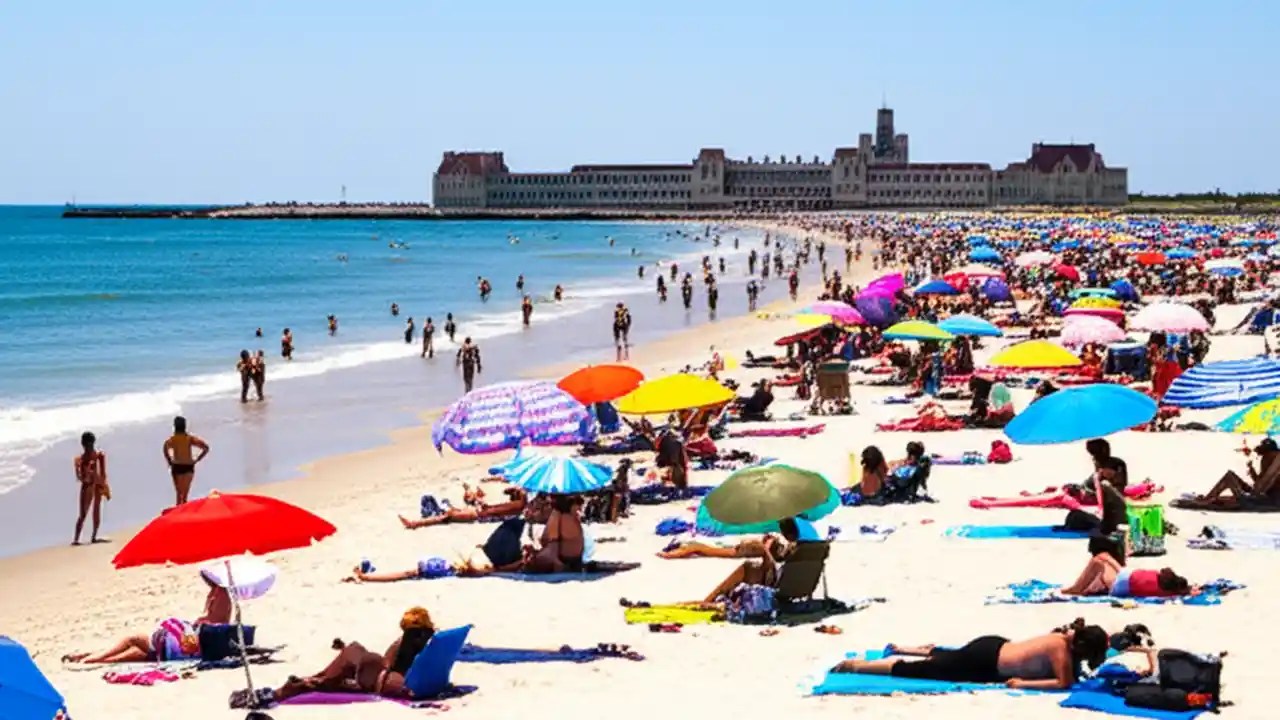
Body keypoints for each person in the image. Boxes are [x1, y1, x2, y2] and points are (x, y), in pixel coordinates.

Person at [830, 618, 1110, 690]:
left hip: (993, 647)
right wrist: (1023, 684)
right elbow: (1064, 684)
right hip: (986, 662)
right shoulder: (1060, 649)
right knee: (924, 670)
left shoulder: (1064, 637)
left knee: (946, 659)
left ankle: (909, 647)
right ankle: (857, 666)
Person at [237, 607, 436, 707]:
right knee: (350, 653)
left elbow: (390, 664)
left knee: (343, 660)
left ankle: (284, 691)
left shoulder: (409, 641)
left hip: (379, 677)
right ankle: (309, 679)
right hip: (379, 675)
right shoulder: (429, 641)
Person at [62, 576, 232, 663]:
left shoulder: (221, 596)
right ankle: (89, 657)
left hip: (185, 646)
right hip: (186, 649)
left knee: (133, 639)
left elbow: (216, 626)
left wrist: (198, 623)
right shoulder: (220, 595)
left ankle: (93, 659)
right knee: (136, 654)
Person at [701, 517, 801, 602]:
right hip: (786, 583)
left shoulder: (779, 544)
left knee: (746, 568)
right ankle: (714, 598)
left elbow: (768, 567)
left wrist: (765, 548)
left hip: (773, 583)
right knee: (748, 565)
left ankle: (710, 599)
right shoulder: (800, 546)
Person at [1177, 437, 1280, 509]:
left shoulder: (1275, 461)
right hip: (1262, 497)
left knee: (1229, 477)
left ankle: (1206, 500)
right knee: (1230, 478)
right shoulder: (1269, 460)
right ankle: (1209, 498)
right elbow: (1260, 483)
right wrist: (1251, 469)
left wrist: (1250, 494)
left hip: (1266, 501)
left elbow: (1261, 487)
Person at [1060, 553, 1196, 597]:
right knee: (1103, 556)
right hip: (1123, 576)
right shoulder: (1165, 589)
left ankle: (1076, 589)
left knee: (1098, 561)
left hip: (1119, 583)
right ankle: (1088, 585)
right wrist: (1191, 590)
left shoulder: (1162, 586)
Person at [399, 487, 527, 529]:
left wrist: (478, 503)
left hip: (479, 515)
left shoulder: (517, 505)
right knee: (449, 511)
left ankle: (415, 523)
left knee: (449, 515)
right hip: (482, 514)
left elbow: (491, 511)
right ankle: (422, 520)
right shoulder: (517, 505)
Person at [73, 431, 109, 545]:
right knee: (83, 513)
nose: (89, 448)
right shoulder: (80, 460)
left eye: (90, 445)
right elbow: (79, 476)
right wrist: (87, 476)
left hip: (97, 483)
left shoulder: (99, 456)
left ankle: (93, 536)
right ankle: (76, 539)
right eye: (87, 446)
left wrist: (102, 483)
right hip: (88, 485)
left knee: (96, 510)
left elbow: (103, 473)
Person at [163, 416, 209, 505]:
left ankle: (177, 515)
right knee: (185, 496)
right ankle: (184, 515)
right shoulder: (189, 438)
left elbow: (165, 448)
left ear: (174, 426)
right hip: (188, 465)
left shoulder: (172, 439)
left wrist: (169, 461)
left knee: (178, 494)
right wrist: (197, 459)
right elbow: (205, 447)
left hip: (177, 466)